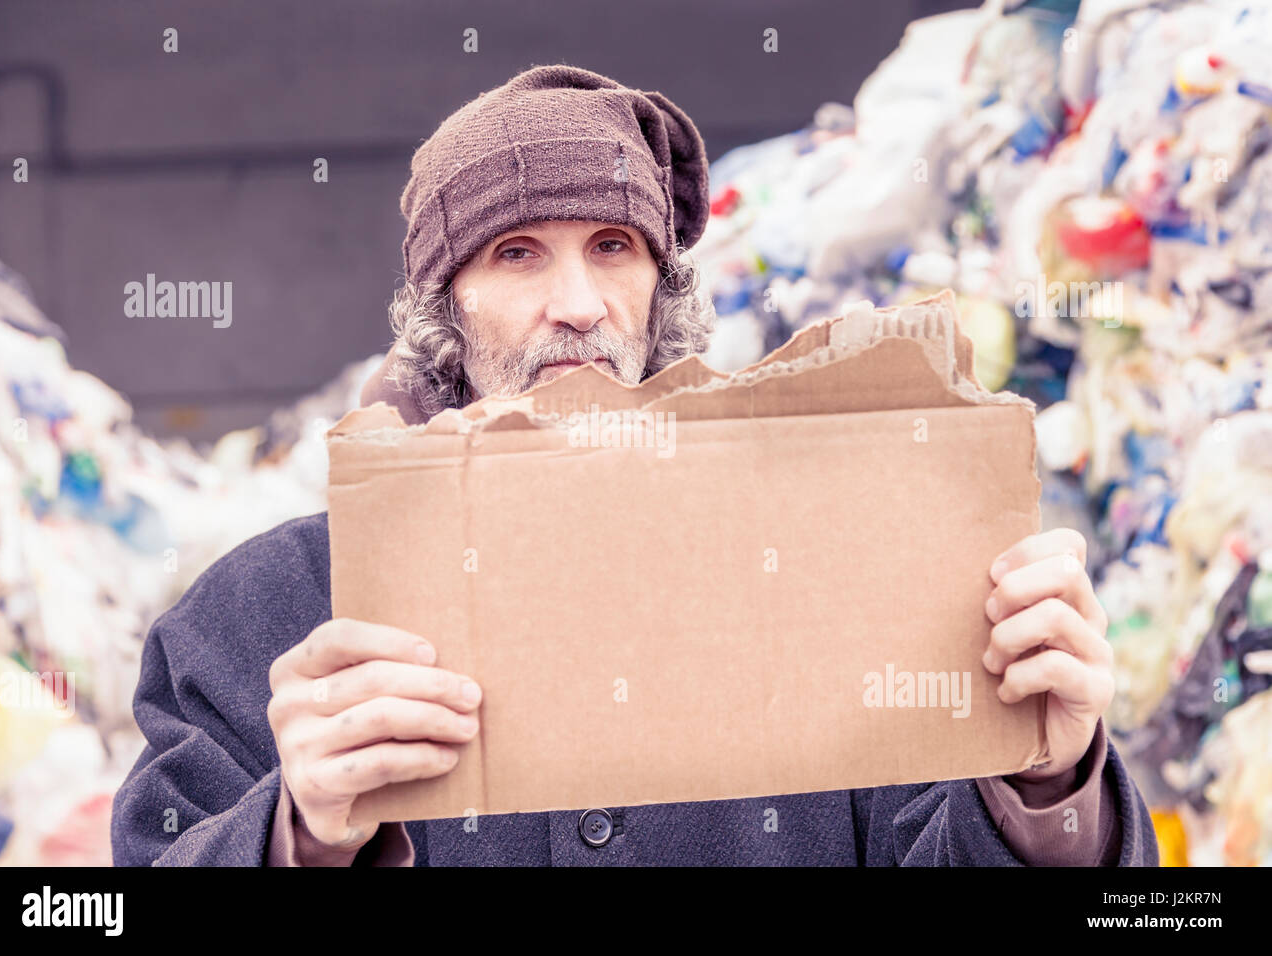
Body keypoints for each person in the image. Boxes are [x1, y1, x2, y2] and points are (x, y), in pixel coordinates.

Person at [111, 64, 1158, 866]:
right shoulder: (256, 616)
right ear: (443, 309)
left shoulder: (841, 568)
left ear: (663, 293)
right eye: (515, 252)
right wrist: (293, 832)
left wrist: (1051, 788)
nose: (576, 302)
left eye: (613, 246)